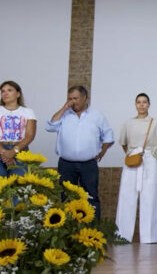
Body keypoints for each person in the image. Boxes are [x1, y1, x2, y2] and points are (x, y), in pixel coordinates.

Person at [46, 85, 113, 219]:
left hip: (88, 164)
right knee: (65, 197)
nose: (72, 101)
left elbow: (108, 136)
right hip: (66, 164)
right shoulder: (64, 115)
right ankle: (68, 232)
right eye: (70, 98)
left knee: (91, 197)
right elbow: (49, 126)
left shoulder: (97, 116)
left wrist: (102, 151)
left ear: (84, 98)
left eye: (75, 98)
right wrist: (64, 108)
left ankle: (93, 232)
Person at [115, 93, 157, 243]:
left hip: (149, 160)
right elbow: (123, 143)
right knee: (126, 195)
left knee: (150, 196)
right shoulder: (128, 123)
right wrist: (134, 155)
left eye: (144, 102)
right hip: (132, 160)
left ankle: (149, 236)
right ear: (135, 104)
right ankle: (122, 235)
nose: (142, 105)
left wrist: (151, 156)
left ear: (149, 105)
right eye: (139, 102)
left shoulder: (155, 123)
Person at [0, 80, 36, 202]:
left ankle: (17, 220)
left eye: (9, 90)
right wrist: (4, 152)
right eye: (2, 91)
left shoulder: (28, 112)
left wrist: (14, 151)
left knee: (19, 190)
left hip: (20, 152)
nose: (5, 93)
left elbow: (30, 135)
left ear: (18, 94)